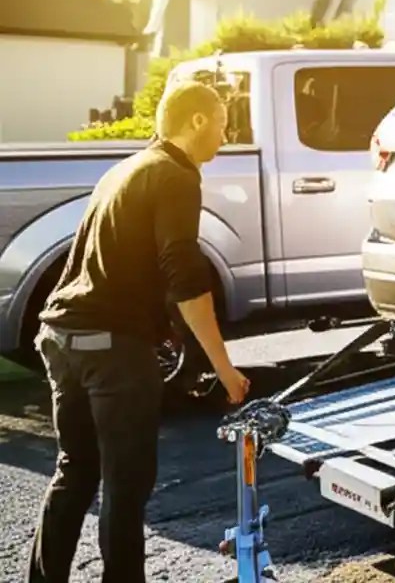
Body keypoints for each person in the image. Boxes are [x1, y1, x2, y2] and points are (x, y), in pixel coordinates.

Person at [27, 80, 251, 583]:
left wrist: (163, 329)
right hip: (109, 350)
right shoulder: (176, 174)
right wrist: (226, 371)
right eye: (220, 122)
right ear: (195, 121)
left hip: (62, 336)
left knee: (77, 470)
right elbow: (186, 278)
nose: (225, 133)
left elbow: (111, 262)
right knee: (124, 487)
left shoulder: (126, 168)